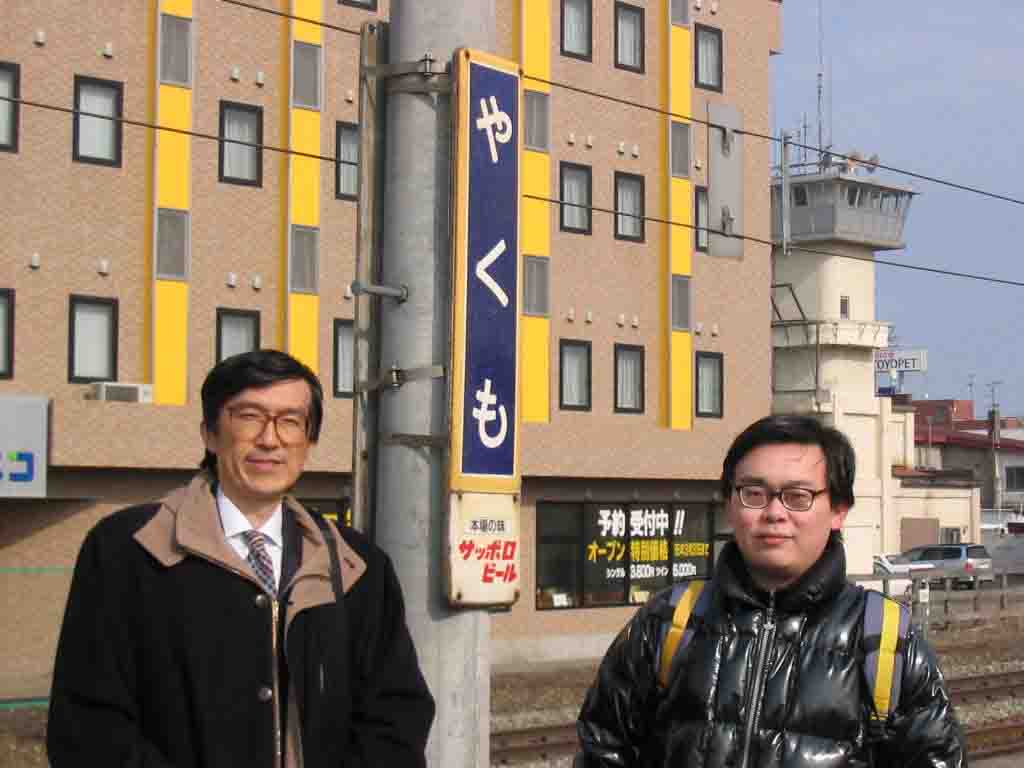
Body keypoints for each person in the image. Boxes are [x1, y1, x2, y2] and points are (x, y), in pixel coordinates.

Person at [48, 349, 435, 768]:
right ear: (210, 434)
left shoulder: (356, 565)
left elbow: (396, 718)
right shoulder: (128, 551)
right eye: (249, 416)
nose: (270, 439)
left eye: (290, 421)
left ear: (309, 442)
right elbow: (88, 728)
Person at [576, 414, 966, 767]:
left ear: (838, 510)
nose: (774, 513)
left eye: (798, 496)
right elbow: (603, 749)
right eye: (754, 493)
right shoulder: (670, 621)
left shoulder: (886, 640)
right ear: (730, 504)